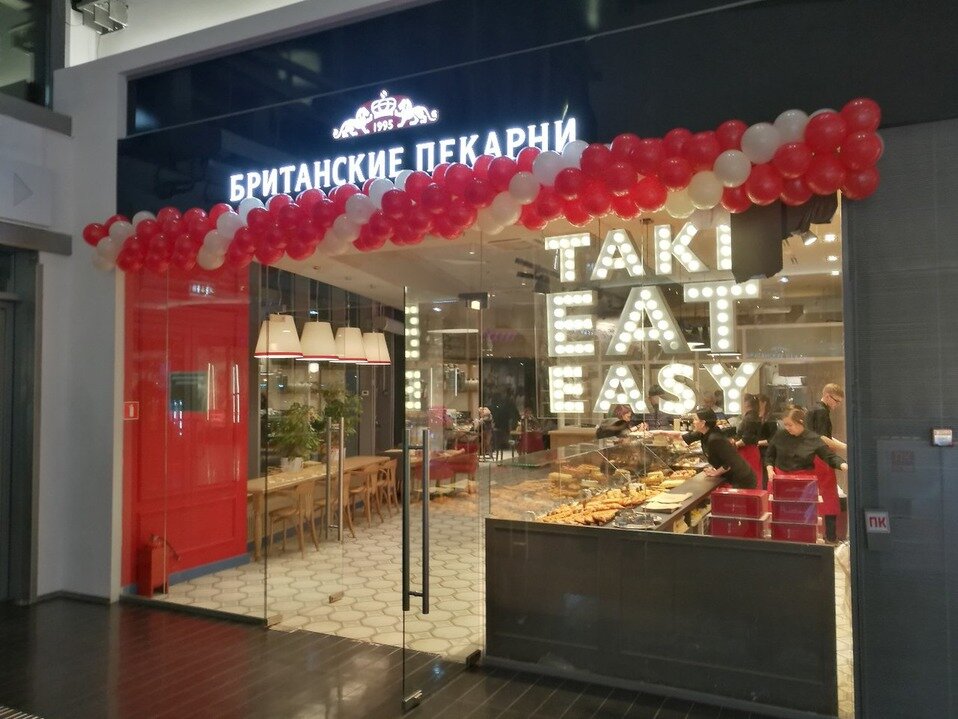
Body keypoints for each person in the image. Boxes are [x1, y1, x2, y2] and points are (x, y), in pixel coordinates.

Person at [766, 407, 848, 542]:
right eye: (785, 424)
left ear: (800, 422)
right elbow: (769, 455)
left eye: (790, 425)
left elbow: (829, 456)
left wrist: (843, 465)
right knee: (781, 516)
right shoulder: (780, 435)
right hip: (780, 479)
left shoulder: (813, 438)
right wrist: (770, 469)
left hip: (803, 483)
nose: (787, 428)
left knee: (801, 516)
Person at [679, 408, 756, 488]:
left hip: (742, 479)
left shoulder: (715, 439)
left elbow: (729, 463)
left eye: (695, 419)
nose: (693, 422)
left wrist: (715, 473)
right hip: (733, 477)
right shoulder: (705, 433)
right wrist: (665, 434)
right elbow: (681, 436)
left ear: (703, 423)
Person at [736, 394, 777, 487]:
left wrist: (733, 445)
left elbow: (747, 438)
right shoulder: (755, 416)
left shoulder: (754, 417)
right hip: (755, 449)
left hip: (760, 451)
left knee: (753, 478)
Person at [805, 383, 847, 453]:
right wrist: (844, 447)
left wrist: (844, 446)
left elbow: (825, 436)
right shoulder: (821, 411)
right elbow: (822, 438)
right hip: (816, 455)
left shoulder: (816, 408)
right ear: (827, 396)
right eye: (836, 401)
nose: (838, 405)